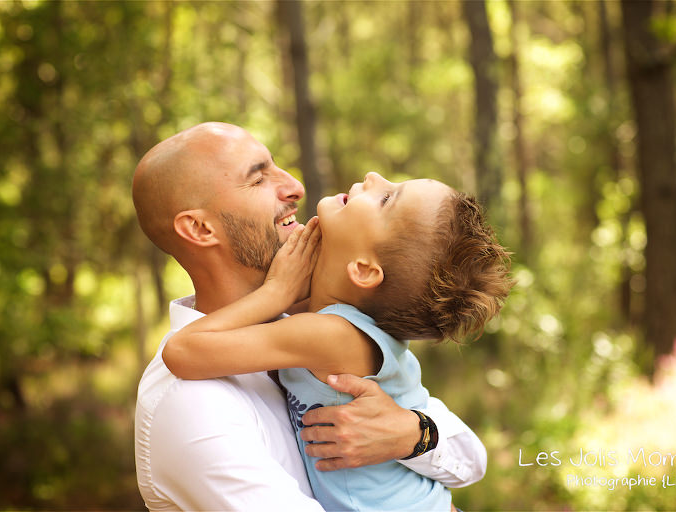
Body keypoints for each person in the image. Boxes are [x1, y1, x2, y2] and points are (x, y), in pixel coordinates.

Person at [132, 122, 488, 511]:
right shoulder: (191, 406)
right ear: (200, 228)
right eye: (258, 179)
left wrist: (412, 434)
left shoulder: (326, 325)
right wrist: (276, 293)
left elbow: (470, 459)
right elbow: (181, 352)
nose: (295, 187)